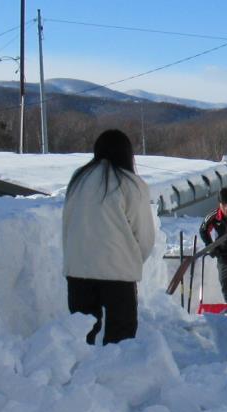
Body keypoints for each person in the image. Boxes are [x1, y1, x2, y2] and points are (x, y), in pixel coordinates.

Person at [61, 129, 156, 345]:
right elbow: (144, 234)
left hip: (78, 270)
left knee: (82, 337)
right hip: (118, 272)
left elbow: (68, 223)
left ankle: (81, 376)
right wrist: (133, 259)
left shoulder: (79, 179)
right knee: (120, 338)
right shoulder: (130, 183)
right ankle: (115, 377)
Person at [198, 186, 227, 305]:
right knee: (226, 289)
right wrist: (212, 247)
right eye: (223, 205)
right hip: (223, 257)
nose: (226, 208)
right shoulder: (213, 216)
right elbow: (203, 230)